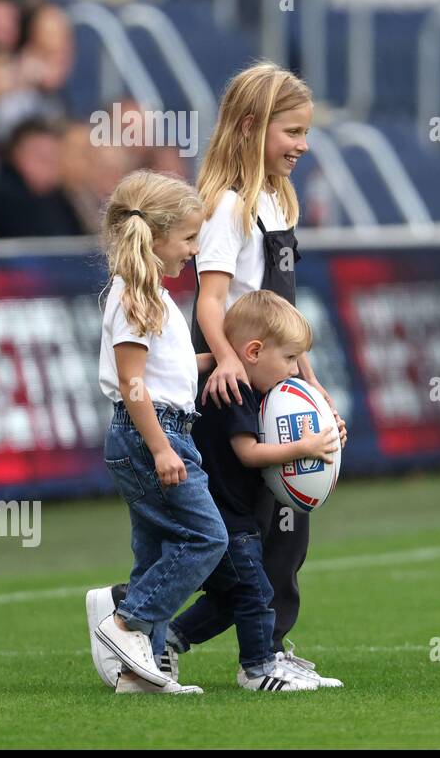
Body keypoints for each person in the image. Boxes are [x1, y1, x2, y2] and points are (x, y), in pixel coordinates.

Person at [86, 62, 347, 689]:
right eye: (292, 131)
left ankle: (151, 624)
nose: (302, 145)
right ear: (253, 126)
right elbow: (213, 299)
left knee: (272, 529)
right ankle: (245, 651)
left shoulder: (277, 201)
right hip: (240, 387)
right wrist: (230, 360)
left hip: (270, 376)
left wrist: (309, 382)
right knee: (241, 536)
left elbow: (283, 316)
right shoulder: (230, 207)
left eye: (307, 132)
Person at [91, 169, 227, 695]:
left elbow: (170, 372)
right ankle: (125, 625)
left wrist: (222, 358)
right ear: (158, 235)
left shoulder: (154, 296)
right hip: (150, 435)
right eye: (189, 238)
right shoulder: (132, 297)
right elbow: (134, 384)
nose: (194, 250)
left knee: (157, 551)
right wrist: (162, 447)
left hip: (165, 429)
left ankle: (137, 675)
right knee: (205, 537)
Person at [167, 291, 338, 691]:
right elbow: (248, 453)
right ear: (255, 351)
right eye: (290, 359)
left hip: (236, 513)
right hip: (226, 514)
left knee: (233, 595)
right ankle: (260, 668)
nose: (296, 371)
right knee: (258, 590)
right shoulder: (236, 392)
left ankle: (169, 639)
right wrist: (303, 448)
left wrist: (327, 433)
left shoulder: (261, 390)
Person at [0, 117, 83, 238]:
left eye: (55, 156)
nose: (51, 164)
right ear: (15, 155)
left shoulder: (59, 197)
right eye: (42, 157)